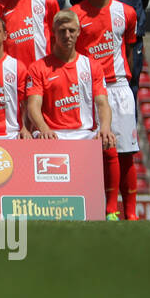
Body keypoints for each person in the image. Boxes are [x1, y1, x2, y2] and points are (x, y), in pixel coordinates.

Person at [73, 0, 141, 220]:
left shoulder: (127, 12)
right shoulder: (76, 14)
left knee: (126, 153)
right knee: (102, 153)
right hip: (88, 91)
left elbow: (131, 48)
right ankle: (109, 209)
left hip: (118, 86)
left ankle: (132, 213)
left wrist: (126, 80)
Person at [23, 11, 116, 178]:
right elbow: (33, 106)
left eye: (71, 31)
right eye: (62, 31)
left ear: (79, 31)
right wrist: (44, 129)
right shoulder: (38, 67)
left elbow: (102, 103)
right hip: (52, 134)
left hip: (83, 133)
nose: (67, 35)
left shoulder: (92, 66)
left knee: (109, 143)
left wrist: (106, 128)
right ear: (54, 32)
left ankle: (108, 204)